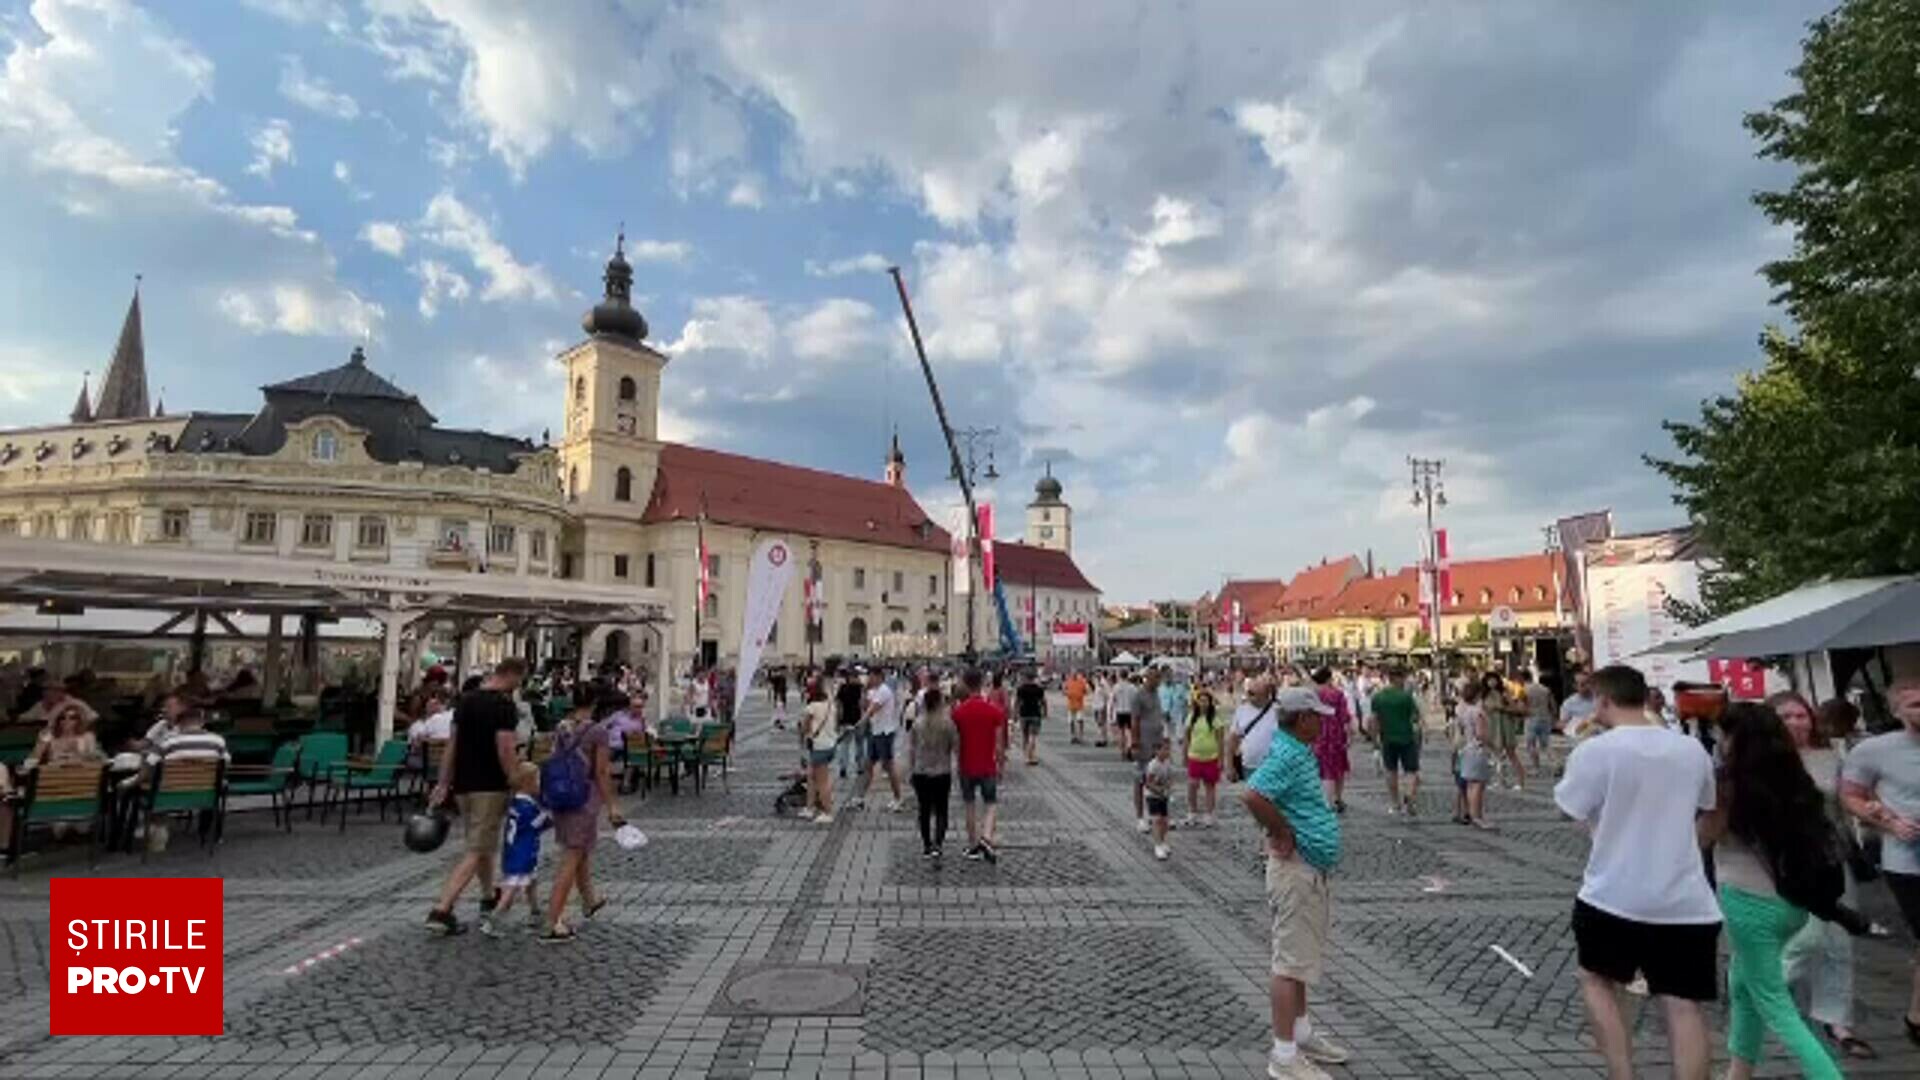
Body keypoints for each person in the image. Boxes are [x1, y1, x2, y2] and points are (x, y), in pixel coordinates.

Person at [1553, 665, 1718, 1080]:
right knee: (1683, 1004)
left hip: (1613, 892)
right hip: (1685, 898)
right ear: (1645, 698)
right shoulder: (1689, 750)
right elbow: (1706, 808)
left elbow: (1567, 808)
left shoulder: (1596, 751)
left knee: (1596, 980)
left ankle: (1623, 1074)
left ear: (1603, 701)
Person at [1701, 702, 1855, 1080]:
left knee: (1774, 1003)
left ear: (1735, 739)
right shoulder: (1793, 778)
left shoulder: (1729, 786)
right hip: (1792, 903)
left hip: (1747, 903)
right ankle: (1739, 1073)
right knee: (1743, 986)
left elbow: (1704, 837)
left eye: (1723, 735)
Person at [1242, 687, 1348, 1079]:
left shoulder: (1294, 749)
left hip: (1308, 868)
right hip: (1295, 870)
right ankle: (1284, 1056)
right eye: (1316, 716)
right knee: (1288, 963)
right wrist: (1281, 830)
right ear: (1301, 718)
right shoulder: (1287, 754)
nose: (1321, 722)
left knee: (1300, 958)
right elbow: (1253, 795)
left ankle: (1301, 1034)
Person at [1775, 691, 1875, 1060]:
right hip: (1782, 863)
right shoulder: (1762, 761)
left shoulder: (1831, 757)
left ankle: (1837, 1020)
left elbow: (1847, 801)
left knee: (1837, 940)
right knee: (1801, 937)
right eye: (1786, 716)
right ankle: (1773, 997)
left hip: (1830, 858)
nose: (1796, 722)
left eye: (1801, 715)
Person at [1839, 677, 1920, 1048]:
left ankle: (1916, 1016)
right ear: (1896, 710)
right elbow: (1851, 796)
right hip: (1907, 861)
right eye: (1916, 704)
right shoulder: (1875, 750)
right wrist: (1886, 820)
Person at [425, 658, 527, 937]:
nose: (520, 685)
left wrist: (444, 781)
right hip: (490, 785)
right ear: (512, 675)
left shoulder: (465, 701)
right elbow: (505, 748)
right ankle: (442, 909)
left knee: (482, 842)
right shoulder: (504, 707)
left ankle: (487, 895)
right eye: (520, 679)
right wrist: (515, 779)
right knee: (476, 848)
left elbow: (452, 745)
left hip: (463, 784)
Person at [540, 685, 626, 943]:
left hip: (561, 795)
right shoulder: (598, 732)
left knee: (579, 851)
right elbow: (601, 772)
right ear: (596, 702)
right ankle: (553, 921)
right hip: (583, 798)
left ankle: (589, 900)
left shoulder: (563, 727)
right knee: (572, 856)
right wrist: (612, 805)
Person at [952, 669, 1007, 863]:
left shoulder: (958, 712)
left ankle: (973, 844)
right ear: (982, 683)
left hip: (967, 764)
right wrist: (1000, 763)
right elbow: (999, 744)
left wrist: (957, 762)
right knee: (991, 804)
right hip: (987, 764)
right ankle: (987, 837)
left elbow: (956, 743)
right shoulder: (993, 711)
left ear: (966, 685)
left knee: (969, 805)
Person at [493, 763, 551, 932]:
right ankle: (494, 919)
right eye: (538, 780)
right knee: (512, 888)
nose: (540, 783)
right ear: (529, 783)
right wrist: (549, 815)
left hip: (514, 851)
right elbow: (537, 824)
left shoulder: (515, 803)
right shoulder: (528, 807)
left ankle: (535, 911)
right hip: (522, 854)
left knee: (532, 881)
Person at [909, 687, 956, 859]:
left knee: (924, 810)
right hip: (942, 772)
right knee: (942, 809)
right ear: (939, 703)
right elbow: (955, 747)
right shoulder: (947, 723)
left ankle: (927, 845)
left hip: (921, 772)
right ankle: (938, 844)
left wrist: (911, 770)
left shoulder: (917, 723)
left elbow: (912, 749)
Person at [1368, 668, 1422, 816]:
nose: (1404, 681)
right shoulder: (1406, 697)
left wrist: (1374, 740)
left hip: (1387, 739)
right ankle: (1409, 795)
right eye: (1403, 678)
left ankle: (1395, 803)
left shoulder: (1378, 697)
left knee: (1391, 771)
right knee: (1411, 770)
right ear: (1398, 679)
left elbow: (1373, 721)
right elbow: (1416, 718)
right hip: (1407, 738)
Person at [855, 668, 904, 813]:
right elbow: (864, 706)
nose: (869, 679)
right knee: (868, 765)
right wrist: (864, 691)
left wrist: (861, 722)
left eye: (871, 676)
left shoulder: (884, 691)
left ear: (878, 677)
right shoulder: (873, 691)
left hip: (885, 732)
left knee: (889, 766)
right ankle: (860, 798)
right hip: (875, 732)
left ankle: (898, 798)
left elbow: (873, 709)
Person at [1309, 668, 1352, 814]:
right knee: (1338, 767)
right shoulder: (1338, 694)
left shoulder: (1313, 695)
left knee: (1323, 768)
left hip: (1318, 735)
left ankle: (1325, 800)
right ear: (1328, 679)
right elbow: (1345, 716)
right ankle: (1337, 799)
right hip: (1336, 736)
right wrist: (1349, 734)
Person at [1132, 670, 1169, 835]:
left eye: (1159, 678)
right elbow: (1135, 720)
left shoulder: (1156, 694)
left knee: (1157, 776)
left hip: (1157, 742)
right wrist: (1135, 741)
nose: (1159, 681)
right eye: (1156, 678)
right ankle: (1140, 817)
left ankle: (1157, 814)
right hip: (1144, 742)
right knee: (1141, 779)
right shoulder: (1139, 695)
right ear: (1148, 678)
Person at [1453, 682, 1493, 829]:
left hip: (1466, 749)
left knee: (1470, 785)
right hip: (1478, 750)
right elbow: (1481, 734)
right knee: (1478, 785)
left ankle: (1472, 814)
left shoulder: (1463, 711)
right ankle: (1477, 816)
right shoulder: (1478, 712)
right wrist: (1492, 745)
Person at [1183, 689, 1224, 828]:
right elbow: (1187, 738)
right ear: (1197, 702)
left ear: (1210, 702)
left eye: (1206, 700)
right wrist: (1185, 755)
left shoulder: (1214, 719)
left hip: (1211, 758)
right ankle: (1192, 812)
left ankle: (1209, 814)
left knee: (1210, 787)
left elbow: (1220, 740)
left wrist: (1221, 759)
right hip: (1194, 756)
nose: (1203, 703)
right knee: (1192, 785)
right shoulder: (1191, 717)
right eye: (1201, 700)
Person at [1228, 675, 1279, 781]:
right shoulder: (1241, 710)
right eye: (1248, 692)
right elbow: (1233, 739)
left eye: (1252, 693)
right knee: (1251, 796)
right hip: (1249, 766)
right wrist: (1230, 766)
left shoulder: (1278, 711)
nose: (1248, 696)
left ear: (1266, 694)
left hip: (1273, 767)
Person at [800, 682, 838, 824]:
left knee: (822, 782)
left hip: (819, 746)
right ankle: (810, 808)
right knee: (811, 776)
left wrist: (806, 734)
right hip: (830, 744)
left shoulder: (812, 707)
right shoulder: (830, 706)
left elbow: (805, 726)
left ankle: (828, 811)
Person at [26, 703, 102, 769]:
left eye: (72, 718)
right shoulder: (49, 736)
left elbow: (96, 759)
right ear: (58, 720)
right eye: (62, 717)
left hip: (82, 776)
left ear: (79, 720)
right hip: (54, 775)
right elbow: (32, 761)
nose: (66, 721)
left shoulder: (87, 737)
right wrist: (42, 743)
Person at [1145, 739, 1175, 861]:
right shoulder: (1153, 765)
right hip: (1153, 796)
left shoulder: (1167, 763)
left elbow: (1171, 778)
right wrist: (1159, 790)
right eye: (1164, 749)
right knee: (1157, 820)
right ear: (1156, 751)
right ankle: (1157, 845)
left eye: (1168, 749)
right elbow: (1148, 783)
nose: (1167, 752)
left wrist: (1169, 787)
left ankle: (1162, 841)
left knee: (1165, 821)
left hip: (1164, 796)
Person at [834, 669, 866, 781]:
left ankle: (843, 767)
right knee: (859, 744)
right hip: (858, 720)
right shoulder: (861, 688)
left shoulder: (842, 688)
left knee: (845, 745)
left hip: (846, 720)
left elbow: (839, 706)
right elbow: (862, 704)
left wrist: (837, 721)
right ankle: (860, 766)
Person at [1523, 670, 1556, 773]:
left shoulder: (1524, 690)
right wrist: (1554, 716)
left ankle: (1536, 767)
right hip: (1545, 717)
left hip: (1531, 717)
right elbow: (1553, 704)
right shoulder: (1544, 689)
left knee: (1531, 744)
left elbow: (1522, 705)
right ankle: (1555, 763)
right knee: (1545, 744)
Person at [1015, 669, 1047, 766]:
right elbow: (1043, 702)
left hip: (1024, 714)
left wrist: (1015, 714)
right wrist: (1045, 712)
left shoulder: (1021, 688)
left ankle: (1026, 756)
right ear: (1034, 678)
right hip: (1035, 714)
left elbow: (1017, 702)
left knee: (1025, 736)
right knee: (1033, 736)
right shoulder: (1039, 689)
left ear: (1025, 677)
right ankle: (1031, 755)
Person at [1559, 667, 1598, 741]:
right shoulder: (1569, 703)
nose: (1587, 687)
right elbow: (1563, 724)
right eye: (1582, 684)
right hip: (1580, 740)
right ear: (1575, 686)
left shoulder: (1600, 699)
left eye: (1588, 683)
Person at [1112, 674, 1136, 760]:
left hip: (1120, 711)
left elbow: (1113, 700)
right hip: (1129, 711)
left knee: (1121, 732)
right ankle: (1129, 746)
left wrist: (1112, 712)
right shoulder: (1132, 687)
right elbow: (1135, 699)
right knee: (1129, 731)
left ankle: (1122, 751)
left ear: (1120, 676)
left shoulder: (1116, 687)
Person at [1064, 670, 1089, 744]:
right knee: (1071, 721)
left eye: (1075, 674)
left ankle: (1080, 736)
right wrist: (1067, 693)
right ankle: (1073, 736)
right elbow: (1064, 690)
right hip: (1071, 705)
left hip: (1079, 705)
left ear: (1077, 674)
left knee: (1080, 720)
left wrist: (1080, 695)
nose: (1074, 675)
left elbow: (1086, 691)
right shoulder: (1068, 682)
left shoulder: (1081, 682)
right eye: (1072, 674)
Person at [1089, 673, 1111, 748]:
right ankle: (1102, 738)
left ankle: (1103, 739)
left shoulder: (1103, 684)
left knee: (1101, 723)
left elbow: (1107, 695)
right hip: (1097, 706)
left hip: (1101, 706)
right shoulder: (1097, 683)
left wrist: (1105, 706)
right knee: (1099, 724)